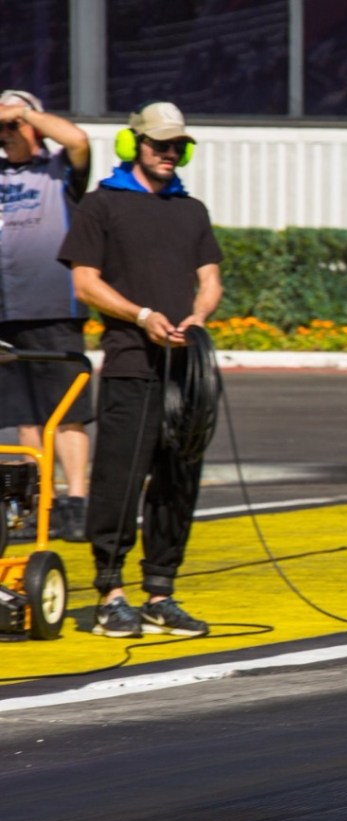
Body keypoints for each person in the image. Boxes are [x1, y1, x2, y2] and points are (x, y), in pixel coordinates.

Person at [58, 101, 223, 638]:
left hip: (184, 374)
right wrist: (143, 316)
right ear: (134, 145)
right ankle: (111, 592)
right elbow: (85, 283)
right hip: (132, 365)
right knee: (119, 480)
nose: (169, 153)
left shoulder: (191, 210)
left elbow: (210, 279)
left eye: (177, 145)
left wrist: (197, 318)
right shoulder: (102, 205)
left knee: (178, 481)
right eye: (159, 144)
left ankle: (160, 592)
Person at [0, 88, 93, 542]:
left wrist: (26, 113)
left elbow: (77, 141)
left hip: (55, 307)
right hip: (7, 310)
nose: (7, 134)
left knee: (67, 410)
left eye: (14, 127)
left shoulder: (57, 171)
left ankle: (76, 499)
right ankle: (43, 499)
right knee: (27, 416)